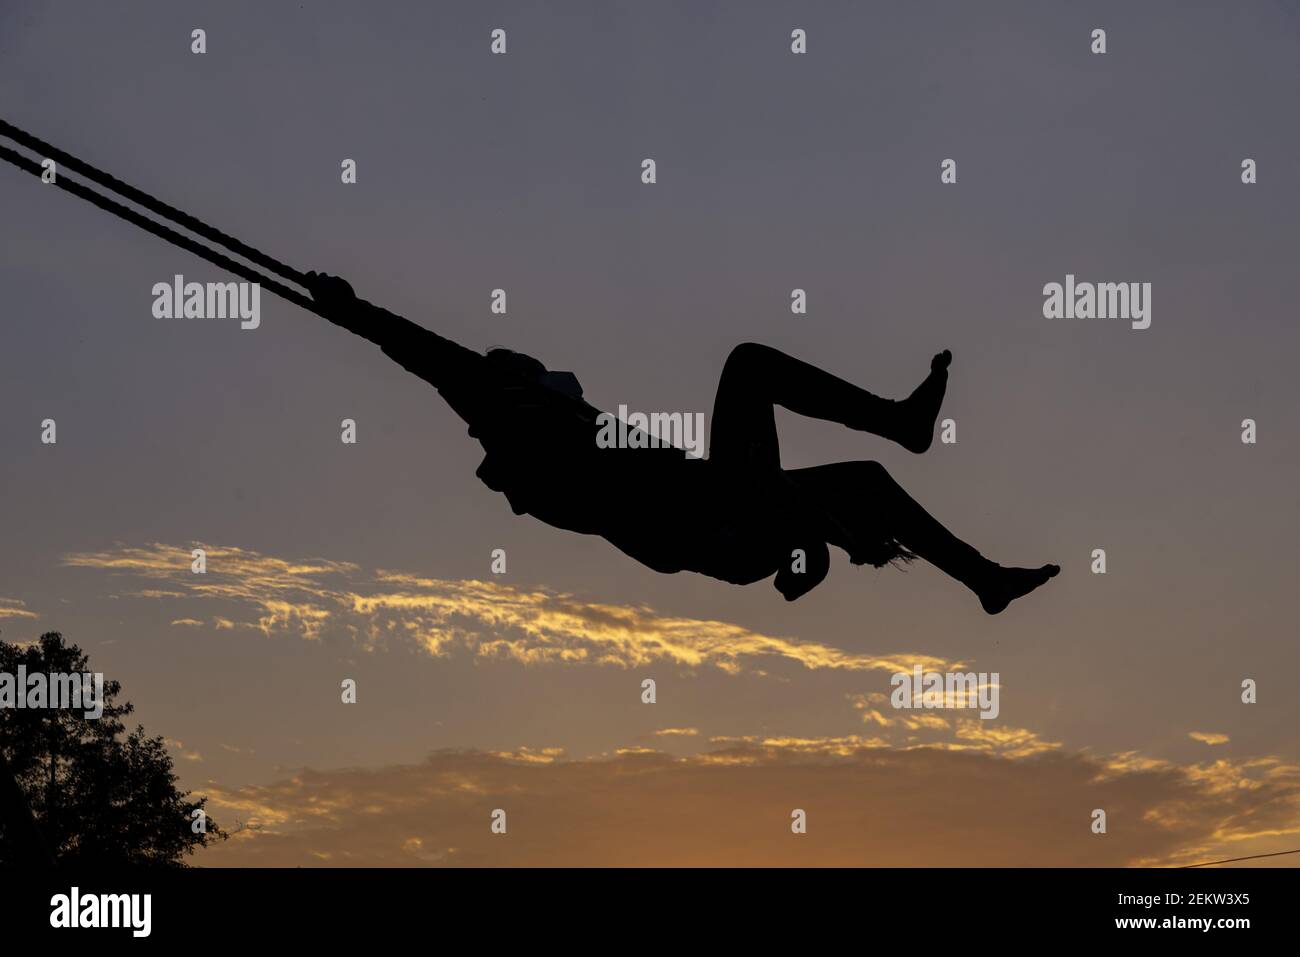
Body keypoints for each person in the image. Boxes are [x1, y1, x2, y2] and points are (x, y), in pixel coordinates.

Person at [305, 273, 1059, 612]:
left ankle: (982, 577)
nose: (552, 381)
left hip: (726, 518)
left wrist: (809, 533)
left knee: (861, 479)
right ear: (523, 385)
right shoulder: (514, 417)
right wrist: (349, 308)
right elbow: (417, 349)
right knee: (749, 366)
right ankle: (891, 439)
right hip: (717, 522)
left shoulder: (562, 424)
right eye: (538, 377)